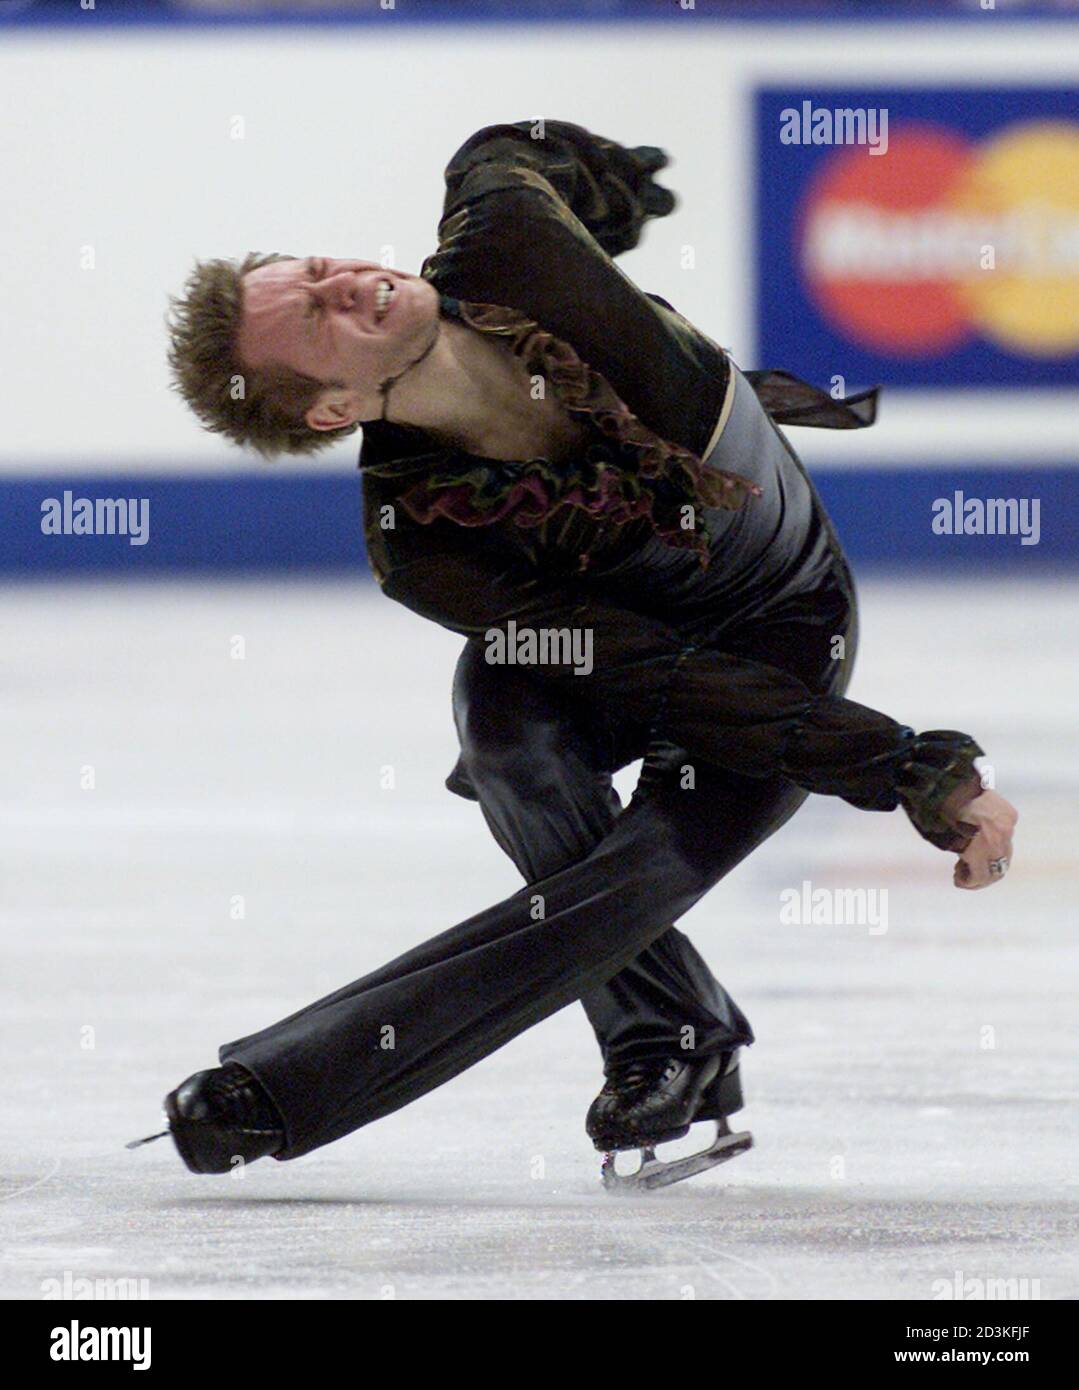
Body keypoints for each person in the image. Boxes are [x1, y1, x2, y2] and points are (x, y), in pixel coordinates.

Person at [152, 120, 1017, 1183]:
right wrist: (894, 763)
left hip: (785, 621)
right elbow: (649, 673)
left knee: (647, 860)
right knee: (506, 726)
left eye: (323, 268)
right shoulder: (421, 542)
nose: (351, 285)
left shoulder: (509, 238)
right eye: (318, 317)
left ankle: (632, 1041)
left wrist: (605, 186)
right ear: (332, 407)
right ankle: (666, 1027)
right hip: (639, 656)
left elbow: (503, 148)